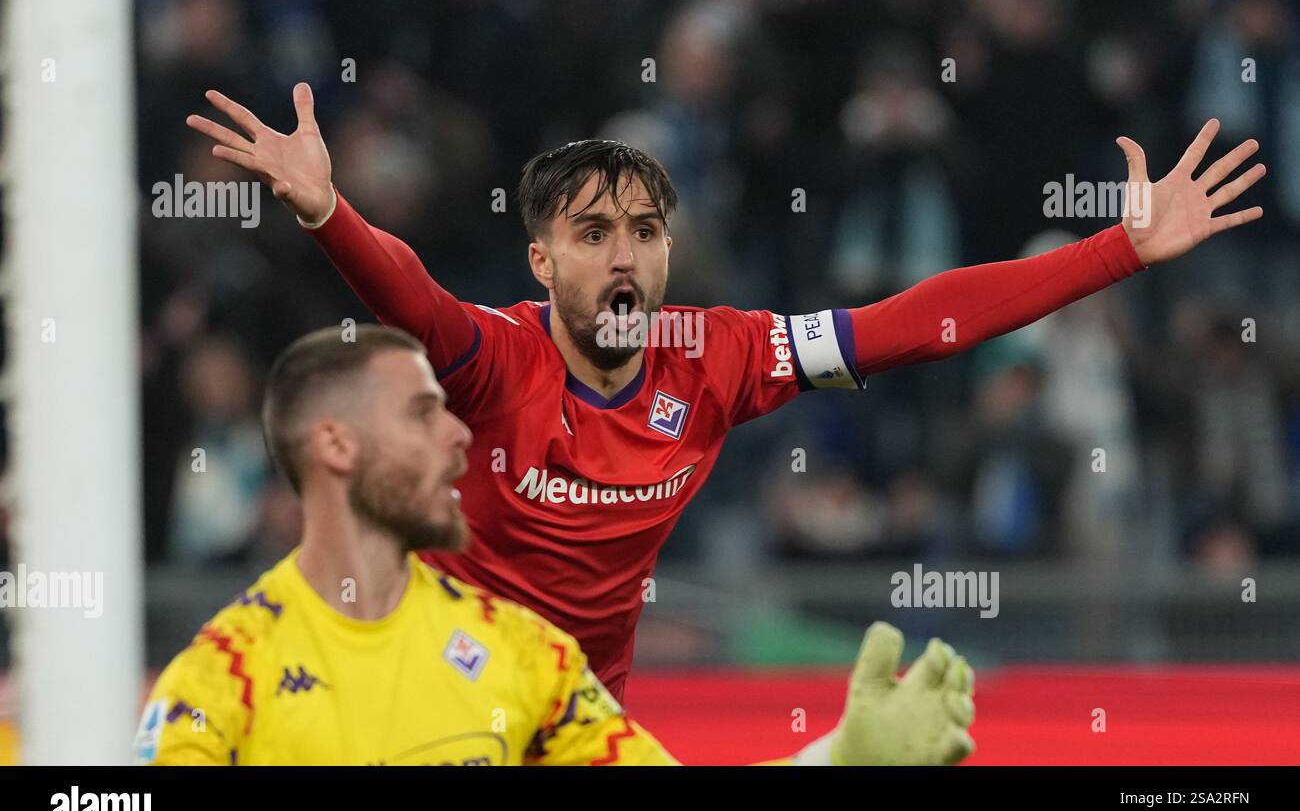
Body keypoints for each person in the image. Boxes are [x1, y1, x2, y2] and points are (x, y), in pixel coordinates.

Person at [186, 84, 1265, 700]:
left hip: (588, 716)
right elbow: (412, 296)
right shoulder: (492, 359)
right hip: (441, 691)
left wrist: (1116, 252)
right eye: (592, 233)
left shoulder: (722, 354)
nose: (624, 257)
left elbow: (922, 320)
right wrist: (329, 211)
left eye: (645, 233)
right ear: (541, 263)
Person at [135, 325, 976, 766]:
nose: (462, 437)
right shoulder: (224, 676)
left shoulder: (526, 655)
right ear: (338, 447)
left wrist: (835, 758)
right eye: (424, 414)